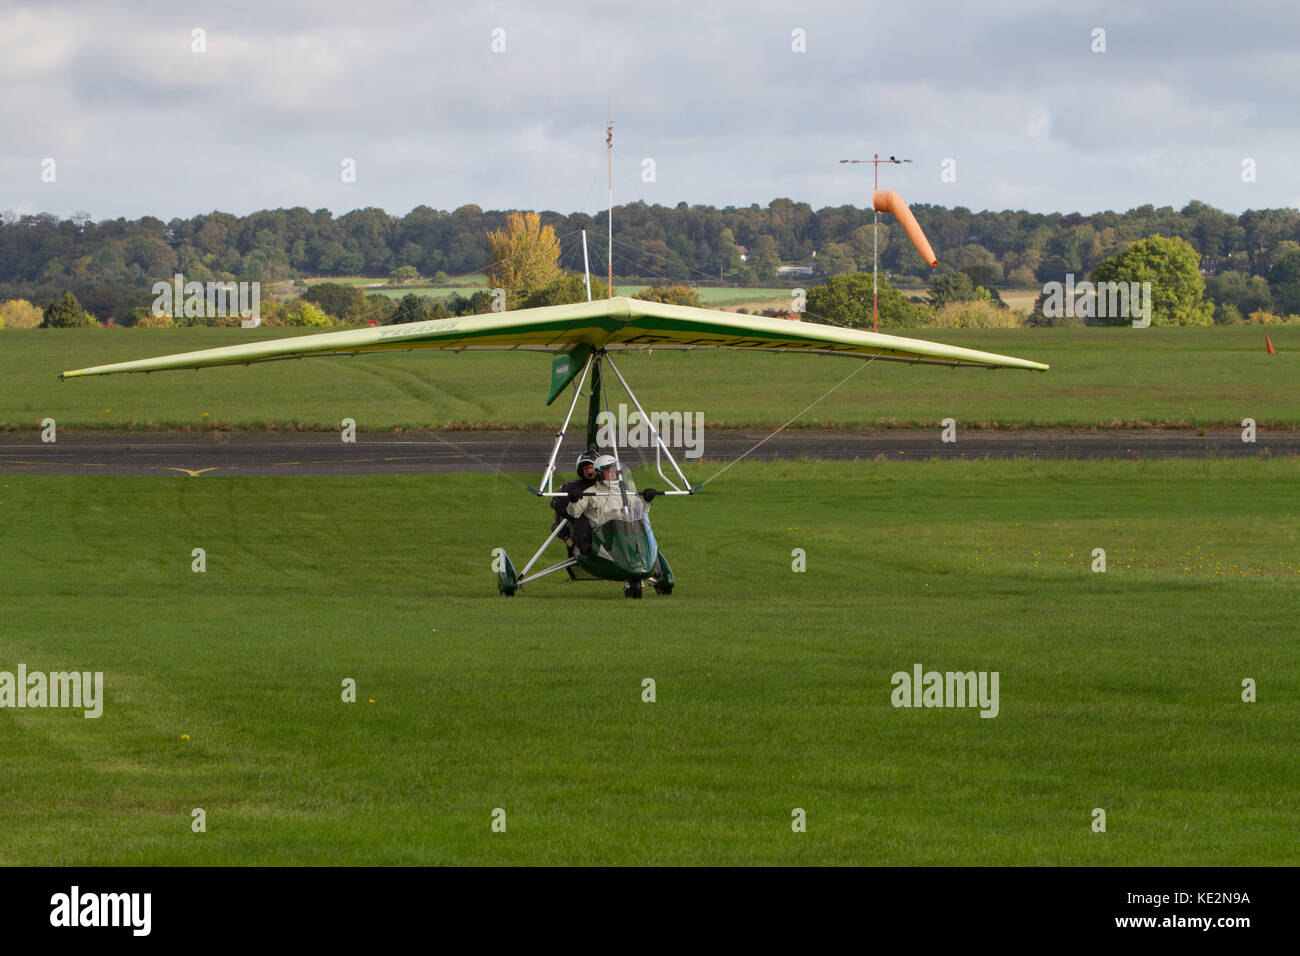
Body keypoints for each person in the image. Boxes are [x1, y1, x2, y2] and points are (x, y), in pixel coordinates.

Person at [566, 454, 660, 554]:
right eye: (608, 471)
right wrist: (573, 500)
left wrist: (647, 500)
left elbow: (640, 511)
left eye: (614, 471)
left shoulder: (623, 492)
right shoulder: (590, 493)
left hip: (626, 538)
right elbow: (574, 512)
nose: (613, 474)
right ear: (599, 474)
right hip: (603, 542)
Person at [553, 449, 600, 553]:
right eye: (586, 468)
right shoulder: (572, 487)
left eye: (592, 468)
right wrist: (573, 499)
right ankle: (582, 548)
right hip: (582, 523)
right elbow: (563, 508)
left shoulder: (604, 485)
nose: (589, 471)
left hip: (601, 521)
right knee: (580, 520)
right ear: (581, 471)